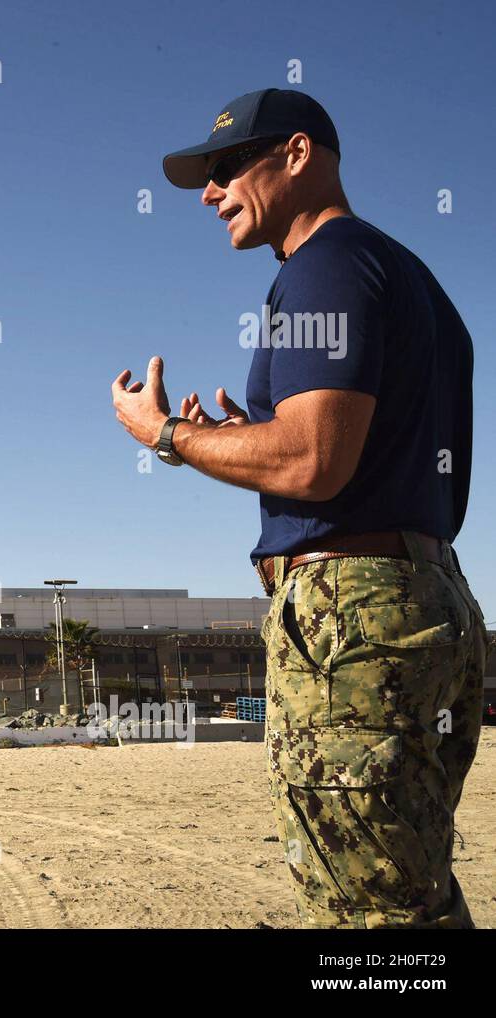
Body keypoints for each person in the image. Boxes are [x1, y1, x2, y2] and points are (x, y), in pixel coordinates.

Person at [113, 88, 485, 927]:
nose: (210, 193)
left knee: (368, 912)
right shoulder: (413, 279)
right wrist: (258, 441)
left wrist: (167, 434)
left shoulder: (321, 264)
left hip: (351, 618)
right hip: (426, 597)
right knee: (408, 885)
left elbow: (316, 459)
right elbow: (362, 453)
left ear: (297, 154)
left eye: (225, 168)